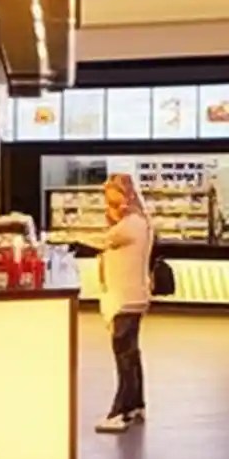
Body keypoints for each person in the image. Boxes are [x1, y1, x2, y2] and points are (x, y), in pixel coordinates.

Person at [93, 173, 155, 434]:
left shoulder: (130, 225)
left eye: (113, 199)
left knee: (123, 355)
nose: (110, 205)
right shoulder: (141, 222)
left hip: (124, 298)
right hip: (134, 295)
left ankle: (120, 411)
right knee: (131, 353)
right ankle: (136, 404)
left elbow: (102, 240)